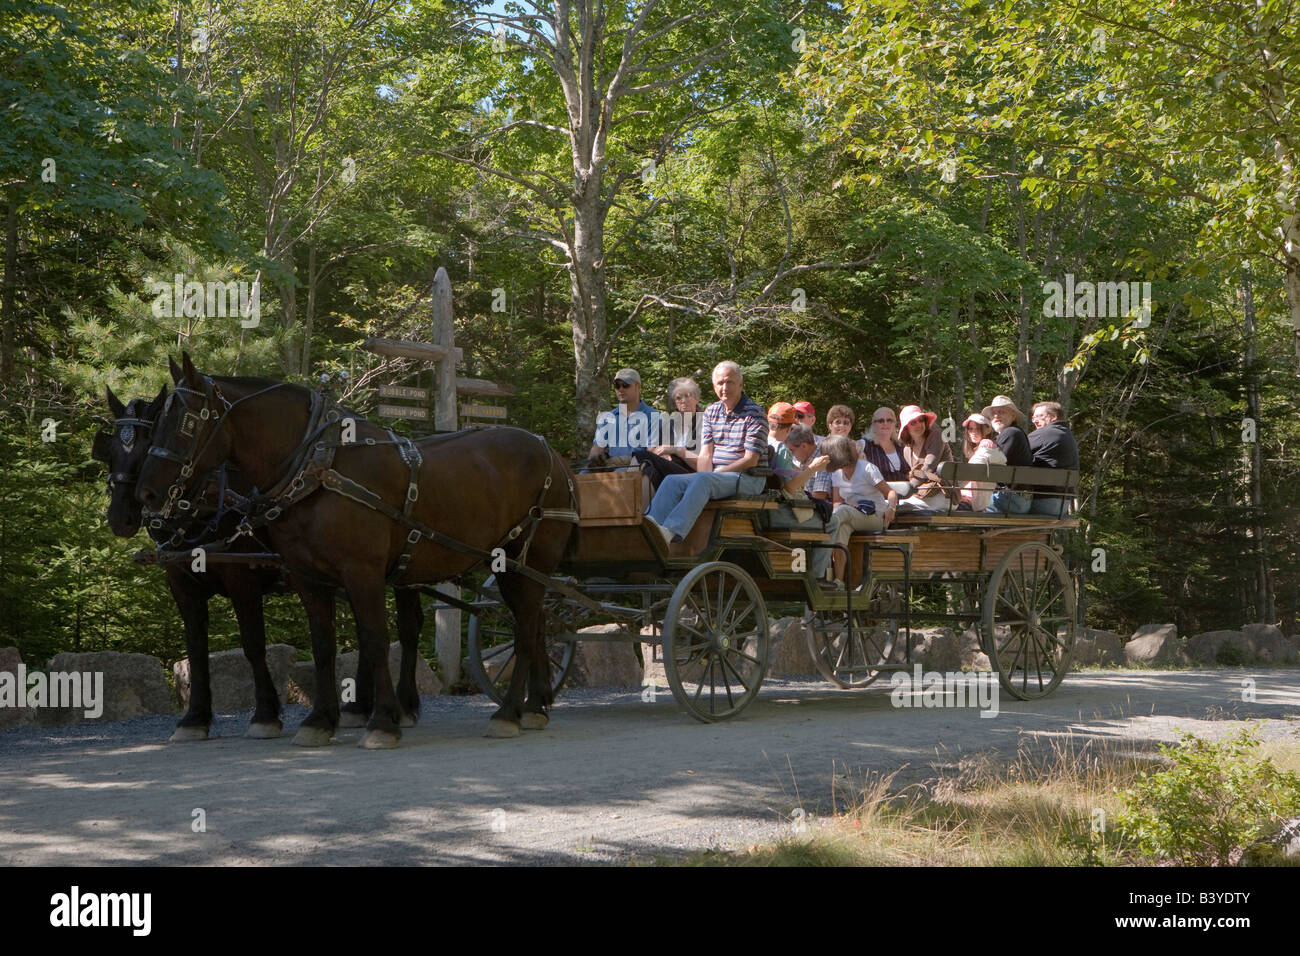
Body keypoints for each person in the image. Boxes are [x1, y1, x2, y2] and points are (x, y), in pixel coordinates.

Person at [643, 361, 769, 547]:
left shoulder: (755, 413)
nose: (724, 387)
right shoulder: (712, 412)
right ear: (714, 386)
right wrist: (705, 474)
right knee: (672, 481)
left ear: (740, 384)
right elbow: (706, 455)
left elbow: (750, 460)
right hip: (716, 477)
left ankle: (670, 532)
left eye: (729, 382)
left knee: (704, 481)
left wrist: (712, 475)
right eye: (720, 383)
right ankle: (648, 529)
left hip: (748, 478)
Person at [822, 434, 898, 588]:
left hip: (876, 517)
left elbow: (891, 493)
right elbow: (837, 501)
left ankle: (821, 544)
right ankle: (838, 581)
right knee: (841, 530)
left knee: (842, 513)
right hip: (850, 517)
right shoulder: (836, 473)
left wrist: (891, 508)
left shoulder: (867, 469)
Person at [762, 423, 834, 580]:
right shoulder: (780, 449)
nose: (792, 454)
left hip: (766, 509)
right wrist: (812, 469)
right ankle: (818, 578)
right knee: (833, 522)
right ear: (787, 429)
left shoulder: (760, 443)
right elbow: (790, 487)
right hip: (775, 513)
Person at [632, 376, 702, 493]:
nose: (683, 401)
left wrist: (675, 450)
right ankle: (639, 510)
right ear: (675, 403)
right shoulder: (668, 425)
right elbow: (653, 450)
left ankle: (633, 507)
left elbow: (702, 464)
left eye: (688, 396)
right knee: (649, 470)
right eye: (678, 397)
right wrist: (661, 455)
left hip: (692, 474)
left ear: (697, 399)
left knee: (642, 456)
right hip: (668, 472)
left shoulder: (705, 424)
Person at [588, 368, 662, 467]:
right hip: (608, 470)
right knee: (580, 476)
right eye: (617, 386)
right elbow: (597, 447)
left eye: (626, 385)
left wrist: (619, 461)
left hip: (638, 469)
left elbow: (651, 453)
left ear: (638, 387)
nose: (621, 389)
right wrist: (595, 458)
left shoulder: (654, 417)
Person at [897, 404, 954, 513]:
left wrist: (906, 490)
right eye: (913, 422)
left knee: (896, 506)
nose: (918, 424)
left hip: (944, 495)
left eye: (921, 420)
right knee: (890, 505)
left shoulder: (937, 436)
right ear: (906, 427)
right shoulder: (907, 450)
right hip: (923, 495)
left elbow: (928, 467)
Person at [1027, 400, 1080, 517]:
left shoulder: (1046, 433)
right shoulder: (1068, 435)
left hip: (1042, 501)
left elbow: (1013, 451)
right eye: (1033, 417)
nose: (1035, 421)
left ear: (1054, 417)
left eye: (1040, 416)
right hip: (1063, 505)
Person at [981, 394, 1033, 514]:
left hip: (1011, 499)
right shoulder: (1013, 433)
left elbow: (995, 467)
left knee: (964, 507)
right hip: (1017, 498)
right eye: (993, 413)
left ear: (1013, 416)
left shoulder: (1011, 433)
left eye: (1001, 412)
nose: (996, 416)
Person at [956, 412, 1005, 512]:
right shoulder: (981, 448)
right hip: (971, 500)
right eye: (970, 429)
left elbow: (970, 472)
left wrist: (954, 489)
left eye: (978, 428)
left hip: (971, 502)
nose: (973, 432)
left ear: (988, 429)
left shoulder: (987, 445)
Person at [861, 406, 910, 488]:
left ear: (894, 423)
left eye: (889, 420)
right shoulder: (863, 445)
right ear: (873, 424)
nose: (885, 423)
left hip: (905, 495)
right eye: (881, 421)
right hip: (876, 496)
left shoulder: (902, 446)